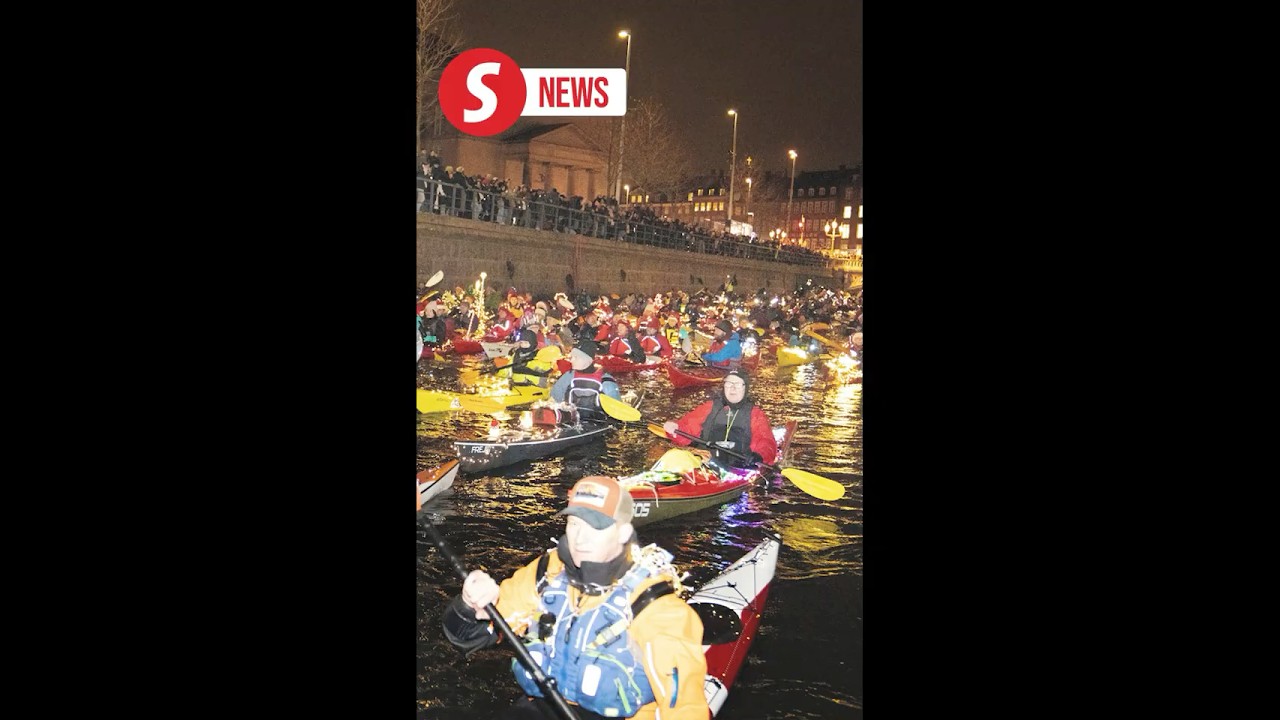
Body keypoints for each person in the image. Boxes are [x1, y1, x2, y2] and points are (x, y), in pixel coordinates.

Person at [442, 475, 710, 719]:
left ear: (624, 533)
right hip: (543, 707)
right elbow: (467, 638)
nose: (579, 538)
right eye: (573, 523)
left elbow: (685, 708)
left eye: (596, 526)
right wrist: (470, 606)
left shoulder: (657, 608)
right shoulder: (546, 573)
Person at [662, 369, 777, 470]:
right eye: (728, 384)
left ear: (745, 388)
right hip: (706, 462)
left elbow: (766, 441)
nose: (732, 388)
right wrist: (675, 428)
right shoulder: (709, 407)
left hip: (739, 465)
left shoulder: (755, 414)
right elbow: (686, 429)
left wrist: (759, 456)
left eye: (737, 384)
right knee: (672, 455)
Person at [550, 340, 621, 422]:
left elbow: (616, 409)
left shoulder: (606, 381)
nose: (571, 360)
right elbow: (554, 399)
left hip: (596, 423)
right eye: (571, 357)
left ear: (589, 360)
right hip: (573, 421)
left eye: (576, 357)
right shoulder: (568, 376)